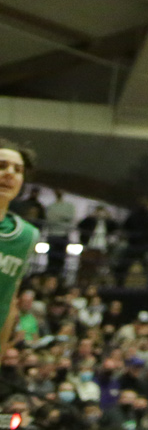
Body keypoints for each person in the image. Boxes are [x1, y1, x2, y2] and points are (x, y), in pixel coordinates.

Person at [0, 140, 39, 354]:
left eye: (18, 170)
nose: (10, 174)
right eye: (1, 166)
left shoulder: (26, 236)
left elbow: (8, 302)